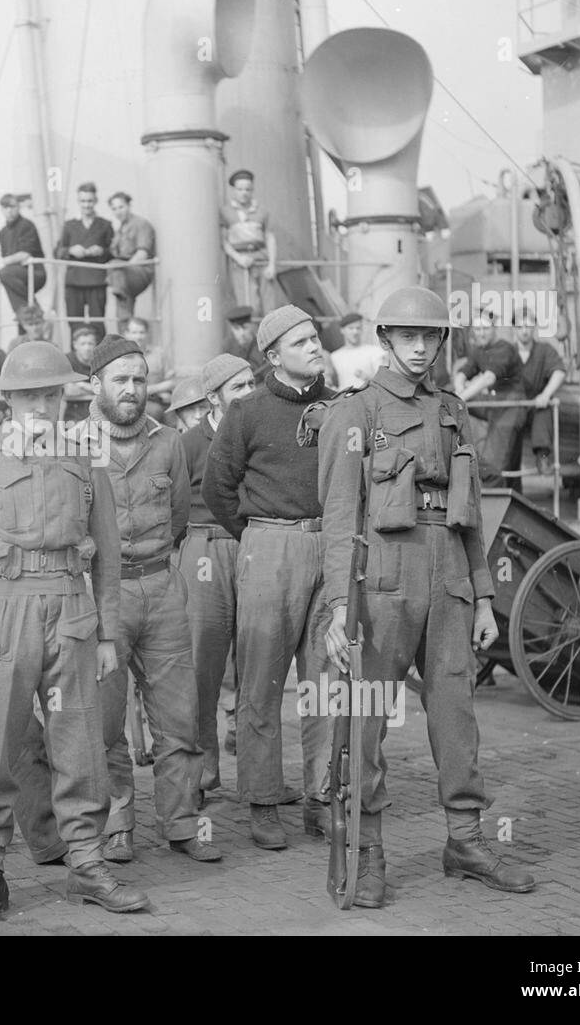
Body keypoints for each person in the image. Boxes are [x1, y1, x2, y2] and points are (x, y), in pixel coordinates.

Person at [309, 285, 536, 908]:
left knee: (456, 714)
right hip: (380, 581)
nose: (419, 346)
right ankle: (368, 851)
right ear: (385, 340)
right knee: (368, 719)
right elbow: (336, 517)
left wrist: (485, 599)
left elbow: (472, 517)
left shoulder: (453, 411)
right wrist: (336, 606)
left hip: (450, 580)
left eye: (430, 337)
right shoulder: (354, 412)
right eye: (406, 335)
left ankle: (465, 841)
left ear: (441, 343)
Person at [0, 340, 149, 925]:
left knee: (80, 743)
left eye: (52, 394)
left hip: (72, 612)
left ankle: (87, 862)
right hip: (2, 610)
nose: (43, 407)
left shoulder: (85, 459)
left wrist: (105, 635)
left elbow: (107, 560)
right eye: (31, 396)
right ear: (11, 400)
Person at [78, 335, 219, 866]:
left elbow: (180, 515)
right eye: (120, 379)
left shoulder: (167, 443)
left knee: (178, 716)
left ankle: (181, 822)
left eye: (139, 379)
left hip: (162, 587)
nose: (132, 389)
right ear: (96, 385)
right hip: (102, 597)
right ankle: (117, 824)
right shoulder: (73, 443)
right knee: (106, 719)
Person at [204, 306, 337, 849]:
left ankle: (324, 799)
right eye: (300, 341)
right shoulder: (247, 412)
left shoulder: (343, 406)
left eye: (315, 337)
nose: (314, 346)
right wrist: (258, 537)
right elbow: (218, 487)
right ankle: (261, 801)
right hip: (268, 545)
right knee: (260, 680)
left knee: (328, 684)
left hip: (331, 544)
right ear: (273, 355)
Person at [178, 354, 255, 795]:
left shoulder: (258, 434)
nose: (249, 395)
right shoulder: (188, 443)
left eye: (251, 385)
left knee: (256, 668)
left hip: (254, 548)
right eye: (238, 388)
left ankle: (260, 783)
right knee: (202, 670)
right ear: (213, 398)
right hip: (204, 548)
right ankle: (202, 775)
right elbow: (174, 509)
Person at [453, 310, 526, 486]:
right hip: (494, 404)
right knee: (446, 395)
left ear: (494, 328)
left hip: (512, 406)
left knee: (493, 466)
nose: (481, 333)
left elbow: (488, 378)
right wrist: (458, 387)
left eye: (485, 328)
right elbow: (464, 371)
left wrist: (459, 397)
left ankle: (492, 507)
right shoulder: (479, 350)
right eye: (477, 329)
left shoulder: (504, 348)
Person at [55, 183, 115, 341]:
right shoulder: (69, 226)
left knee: (98, 324)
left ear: (95, 200)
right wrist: (70, 250)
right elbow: (58, 251)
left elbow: (114, 252)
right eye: (83, 201)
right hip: (74, 282)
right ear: (78, 201)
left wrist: (102, 251)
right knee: (75, 324)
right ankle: (76, 362)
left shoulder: (105, 225)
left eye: (89, 201)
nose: (86, 205)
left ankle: (102, 360)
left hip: (97, 281)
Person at [512, 314, 566, 475]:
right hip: (514, 405)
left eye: (528, 327)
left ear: (534, 328)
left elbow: (559, 371)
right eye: (520, 327)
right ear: (514, 329)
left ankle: (542, 457)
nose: (524, 331)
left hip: (536, 403)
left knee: (543, 412)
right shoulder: (507, 351)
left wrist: (545, 394)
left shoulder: (544, 350)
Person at [220, 170, 277, 314]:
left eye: (248, 189)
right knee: (250, 306)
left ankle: (270, 336)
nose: (244, 193)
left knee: (270, 306)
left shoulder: (262, 211)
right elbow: (223, 241)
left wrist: (272, 264)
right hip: (241, 263)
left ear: (252, 190)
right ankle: (252, 336)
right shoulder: (225, 212)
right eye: (240, 189)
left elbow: (269, 237)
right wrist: (238, 258)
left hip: (261, 261)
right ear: (234, 190)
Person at [107, 193, 156, 323]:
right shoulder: (120, 229)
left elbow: (142, 254)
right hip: (122, 274)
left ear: (129, 206)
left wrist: (120, 267)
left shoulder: (141, 224)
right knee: (122, 313)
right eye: (114, 208)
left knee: (114, 266)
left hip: (139, 271)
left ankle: (120, 291)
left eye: (121, 207)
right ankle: (124, 337)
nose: (118, 211)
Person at [0, 193, 47, 315]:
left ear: (18, 207)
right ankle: (24, 316)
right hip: (16, 274)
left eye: (12, 207)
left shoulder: (27, 225)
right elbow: (10, 257)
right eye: (5, 208)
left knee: (5, 273)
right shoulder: (2, 233)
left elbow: (24, 254)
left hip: (34, 272)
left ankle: (33, 311)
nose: (9, 211)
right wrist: (10, 260)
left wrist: (7, 260)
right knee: (7, 278)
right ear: (2, 209)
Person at [122, 316, 173, 419]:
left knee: (175, 413)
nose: (138, 337)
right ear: (126, 334)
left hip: (161, 400)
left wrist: (152, 389)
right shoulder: (120, 357)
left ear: (147, 334)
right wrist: (150, 390)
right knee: (155, 411)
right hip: (132, 402)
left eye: (141, 332)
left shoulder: (159, 354)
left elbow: (172, 382)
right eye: (134, 333)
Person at [330, 312, 386, 392]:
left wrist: (367, 378)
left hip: (368, 398)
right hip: (344, 401)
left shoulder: (375, 352)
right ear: (342, 330)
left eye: (358, 328)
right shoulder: (335, 356)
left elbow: (383, 382)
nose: (355, 332)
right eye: (351, 328)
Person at [62, 324, 99, 423]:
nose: (87, 348)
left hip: (97, 411)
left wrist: (81, 385)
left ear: (95, 345)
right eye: (83, 344)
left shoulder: (100, 361)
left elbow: (104, 390)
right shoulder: (67, 360)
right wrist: (92, 388)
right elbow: (69, 391)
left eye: (90, 343)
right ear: (75, 345)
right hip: (74, 411)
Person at [223, 305, 268, 381]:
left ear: (251, 326)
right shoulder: (228, 349)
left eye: (245, 327)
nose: (242, 333)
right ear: (232, 329)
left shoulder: (263, 347)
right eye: (236, 329)